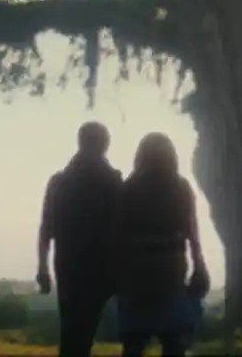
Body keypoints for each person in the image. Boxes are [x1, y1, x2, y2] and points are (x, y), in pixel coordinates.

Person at [116, 133, 210, 357]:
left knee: (134, 341)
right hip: (171, 267)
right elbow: (192, 232)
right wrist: (199, 263)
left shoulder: (128, 189)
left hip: (137, 270)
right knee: (173, 337)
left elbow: (118, 234)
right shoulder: (181, 188)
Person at [37, 121, 124, 357]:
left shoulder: (59, 182)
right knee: (87, 334)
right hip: (102, 268)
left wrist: (43, 267)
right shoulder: (113, 181)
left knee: (72, 333)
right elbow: (123, 228)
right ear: (105, 145)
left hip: (68, 266)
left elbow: (46, 228)